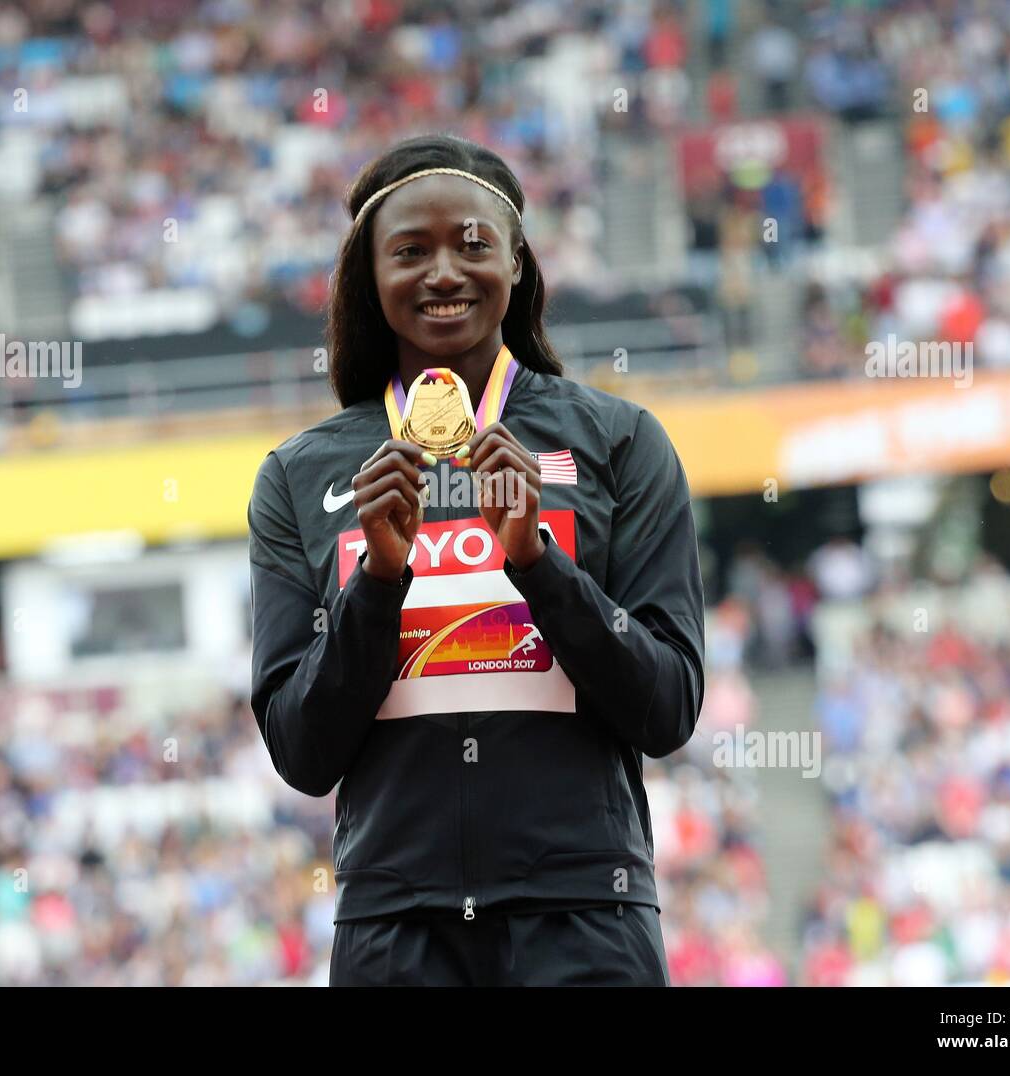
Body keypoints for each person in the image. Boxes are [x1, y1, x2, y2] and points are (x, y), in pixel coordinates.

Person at [247, 134, 706, 986]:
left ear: (519, 264)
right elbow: (302, 753)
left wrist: (537, 562)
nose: (444, 272)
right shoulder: (301, 476)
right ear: (369, 278)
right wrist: (377, 585)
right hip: (395, 929)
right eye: (410, 252)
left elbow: (669, 706)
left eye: (473, 244)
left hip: (586, 919)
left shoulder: (620, 444)